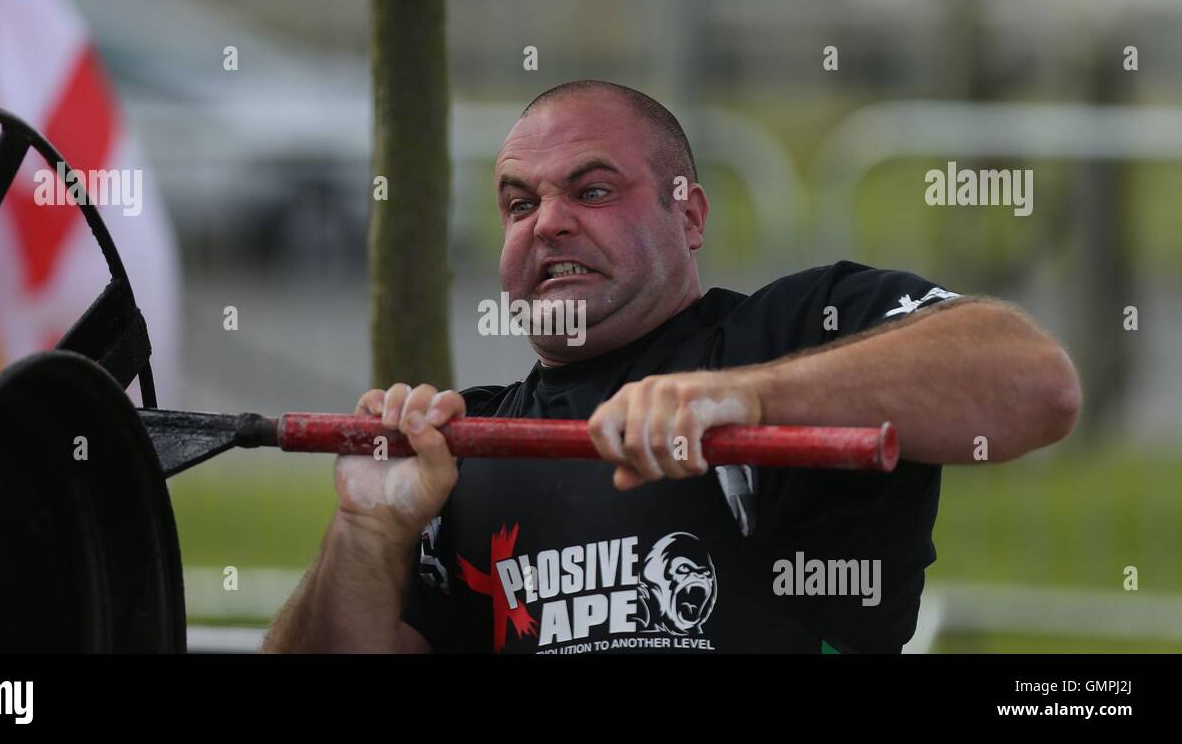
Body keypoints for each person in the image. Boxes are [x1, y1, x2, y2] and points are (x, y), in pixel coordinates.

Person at [262, 80, 1080, 654]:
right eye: (519, 203)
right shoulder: (459, 447)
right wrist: (368, 532)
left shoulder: (799, 330)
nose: (546, 224)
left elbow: (1035, 385)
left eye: (591, 191)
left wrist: (746, 397)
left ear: (687, 212)